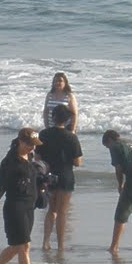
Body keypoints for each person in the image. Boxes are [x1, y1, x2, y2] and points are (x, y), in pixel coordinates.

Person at [0, 129, 49, 264]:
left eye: (34, 146)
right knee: (24, 245)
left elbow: (32, 181)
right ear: (20, 141)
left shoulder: (31, 157)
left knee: (15, 246)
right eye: (29, 145)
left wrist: (42, 189)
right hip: (15, 206)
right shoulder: (9, 161)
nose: (32, 148)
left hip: (29, 207)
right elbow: (0, 186)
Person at [38, 103, 84, 253]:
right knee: (62, 211)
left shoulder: (44, 134)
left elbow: (38, 157)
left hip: (49, 175)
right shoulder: (71, 137)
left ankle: (45, 242)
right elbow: (77, 162)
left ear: (53, 117)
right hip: (65, 175)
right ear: (67, 120)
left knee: (51, 210)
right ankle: (61, 245)